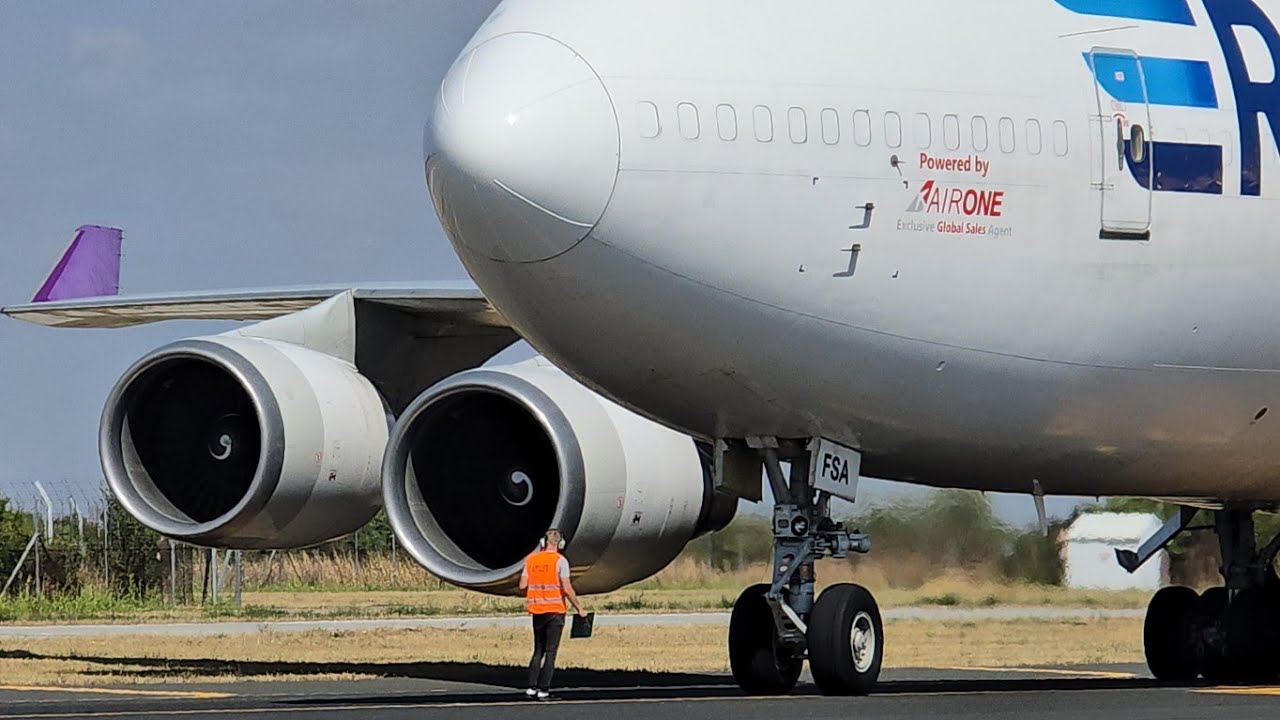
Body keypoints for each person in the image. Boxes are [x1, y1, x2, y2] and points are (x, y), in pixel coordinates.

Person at [519, 528, 586, 700]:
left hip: (537, 610)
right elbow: (567, 588)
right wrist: (579, 607)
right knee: (551, 652)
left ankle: (531, 687)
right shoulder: (560, 561)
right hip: (555, 611)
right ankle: (544, 689)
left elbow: (522, 585)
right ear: (561, 543)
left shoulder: (531, 560)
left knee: (538, 650)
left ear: (543, 543)